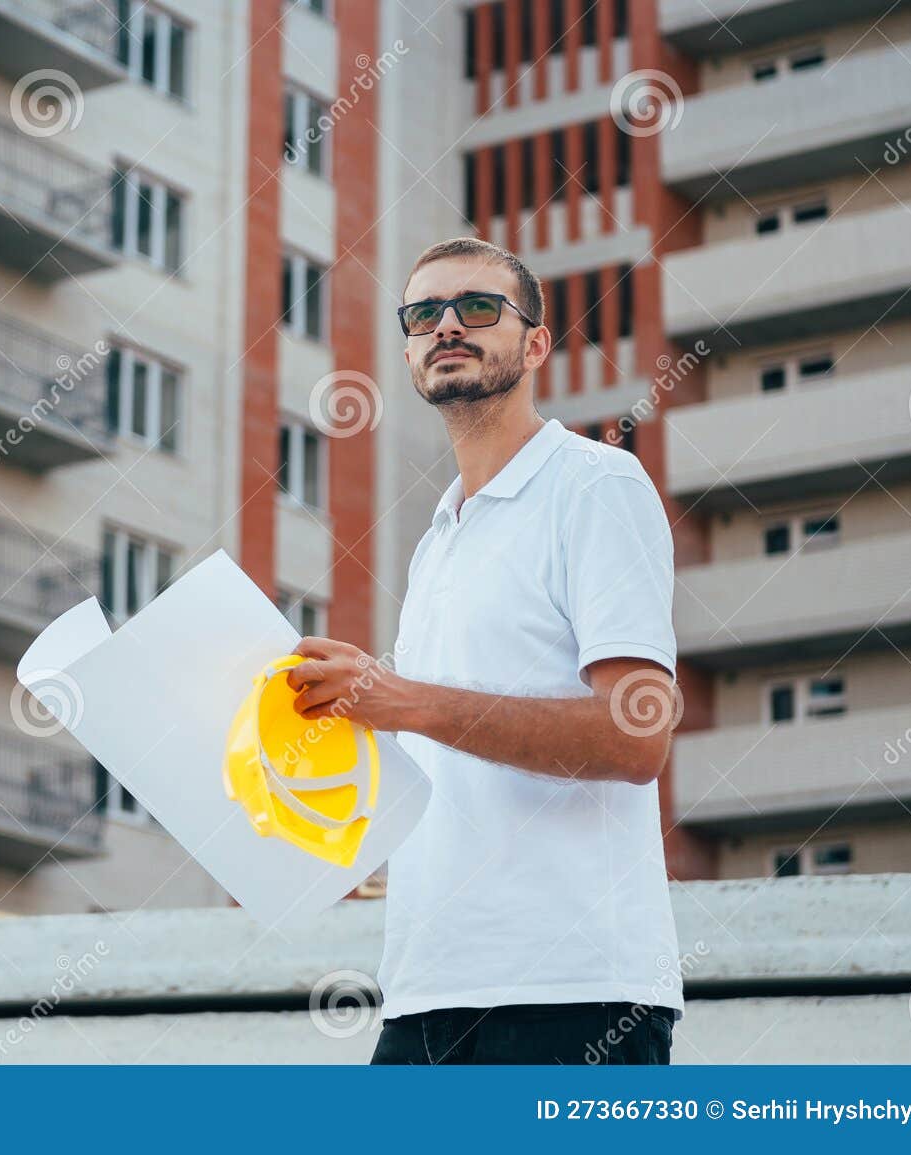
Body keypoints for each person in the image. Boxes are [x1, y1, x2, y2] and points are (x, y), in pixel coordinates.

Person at [286, 237, 683, 1065]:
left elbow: (637, 735)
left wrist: (403, 698)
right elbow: (437, 762)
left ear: (536, 342)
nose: (447, 327)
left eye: (477, 308)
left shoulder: (597, 485)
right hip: (423, 992)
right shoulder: (441, 534)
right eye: (424, 313)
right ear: (407, 349)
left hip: (573, 998)